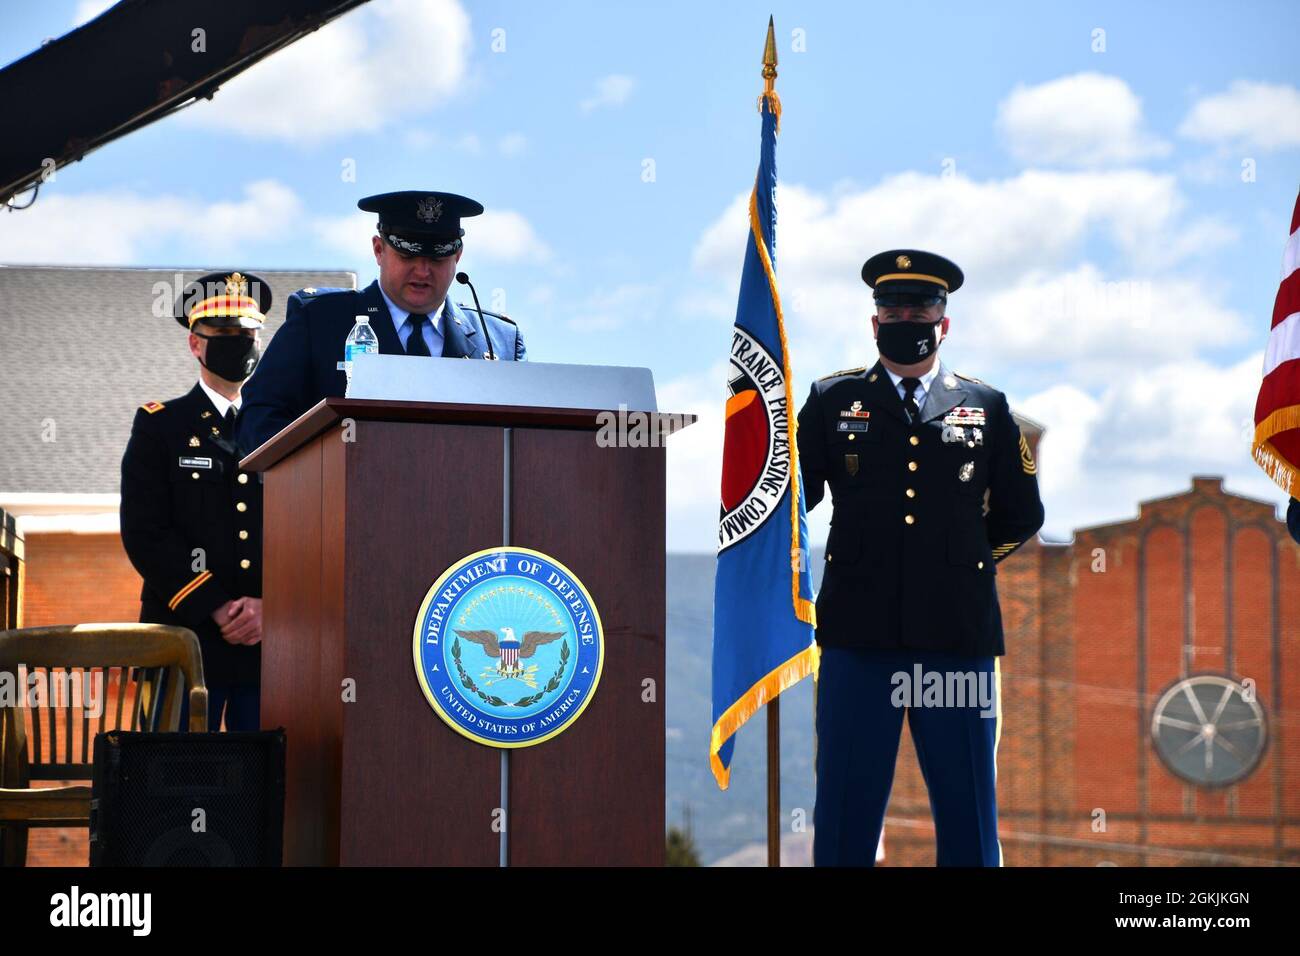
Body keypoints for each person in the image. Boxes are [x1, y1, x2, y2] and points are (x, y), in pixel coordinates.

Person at [797, 249, 1045, 866]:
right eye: (893, 307)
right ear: (874, 321)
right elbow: (789, 496)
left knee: (967, 815)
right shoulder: (833, 400)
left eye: (921, 307)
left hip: (955, 639)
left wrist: (964, 561)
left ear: (945, 321)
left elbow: (1024, 514)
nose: (907, 317)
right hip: (858, 640)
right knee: (845, 813)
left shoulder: (986, 406)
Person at [237, 190, 526, 452]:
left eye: (437, 260)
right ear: (378, 250)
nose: (423, 271)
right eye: (407, 256)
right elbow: (259, 419)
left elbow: (528, 438)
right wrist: (322, 466)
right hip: (346, 501)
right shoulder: (320, 320)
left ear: (458, 256)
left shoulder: (500, 340)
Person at [120, 271, 268, 731]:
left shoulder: (282, 426)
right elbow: (145, 532)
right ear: (195, 344)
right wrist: (216, 605)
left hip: (268, 644)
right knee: (172, 787)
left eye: (247, 334)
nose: (238, 344)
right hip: (182, 640)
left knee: (266, 789)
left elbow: (306, 527)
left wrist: (273, 605)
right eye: (224, 334)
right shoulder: (160, 425)